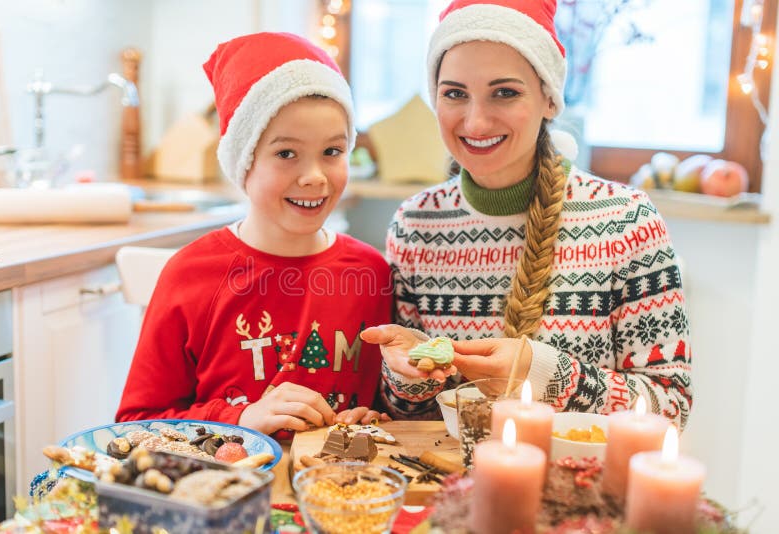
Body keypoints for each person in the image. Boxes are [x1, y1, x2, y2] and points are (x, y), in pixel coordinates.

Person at [362, 0, 692, 429]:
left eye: (505, 92)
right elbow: (406, 416)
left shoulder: (628, 222)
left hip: (578, 487)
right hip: (450, 487)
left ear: (549, 99)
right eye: (455, 93)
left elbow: (670, 408)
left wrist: (542, 372)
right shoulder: (415, 226)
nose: (476, 121)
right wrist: (410, 376)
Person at [117, 32, 393, 435]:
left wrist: (371, 418)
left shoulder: (372, 273)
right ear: (244, 163)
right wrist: (241, 420)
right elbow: (134, 425)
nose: (314, 176)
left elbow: (385, 405)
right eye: (286, 154)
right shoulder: (190, 275)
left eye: (332, 152)